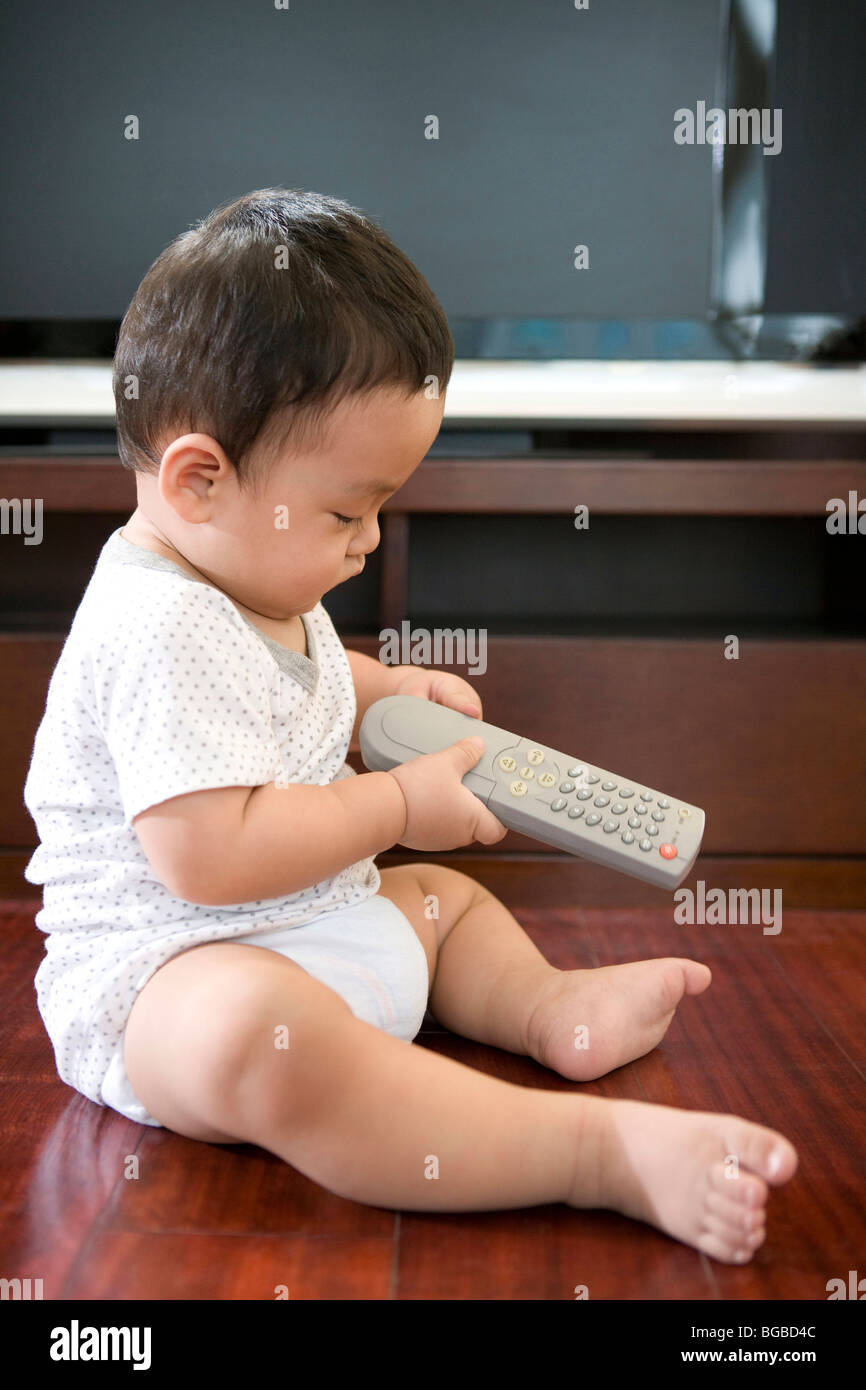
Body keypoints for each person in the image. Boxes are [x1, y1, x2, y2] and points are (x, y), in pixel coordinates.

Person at [23, 188, 797, 1260]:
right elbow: (209, 854)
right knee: (267, 1040)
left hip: (307, 916)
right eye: (347, 512)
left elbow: (284, 680)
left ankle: (542, 1009)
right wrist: (392, 798)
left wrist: (380, 693)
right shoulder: (154, 623)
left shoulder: (239, 564)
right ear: (200, 478)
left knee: (443, 902)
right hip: (174, 969)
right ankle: (591, 1153)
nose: (365, 540)